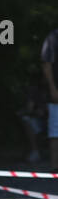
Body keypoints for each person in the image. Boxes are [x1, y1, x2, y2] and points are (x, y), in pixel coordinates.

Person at [43, 27, 58, 170]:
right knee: (55, 132)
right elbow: (46, 64)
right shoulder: (53, 37)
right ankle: (54, 167)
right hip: (56, 93)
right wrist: (53, 88)